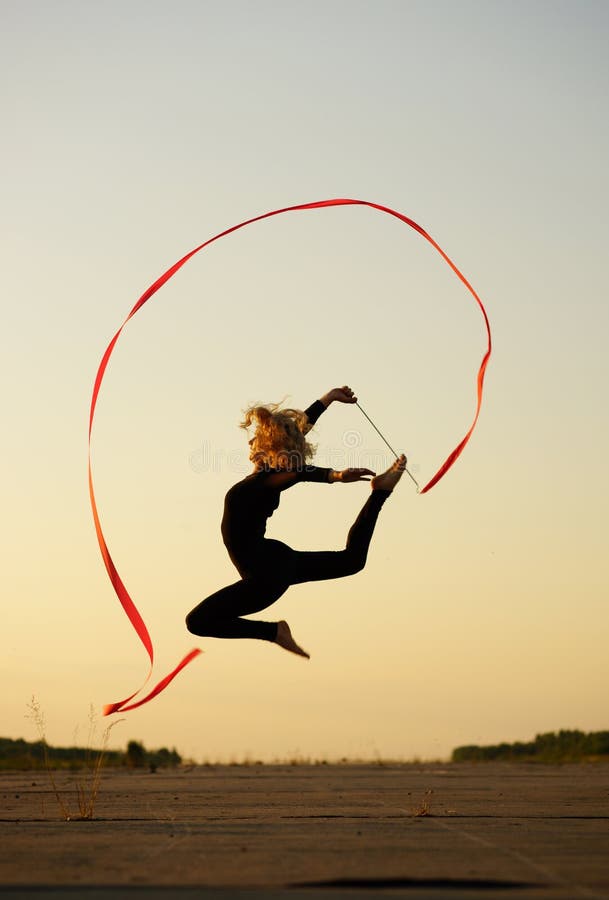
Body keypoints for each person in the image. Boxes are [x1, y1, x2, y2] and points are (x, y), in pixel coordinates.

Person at [186, 386, 406, 658]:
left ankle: (273, 632)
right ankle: (381, 492)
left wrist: (335, 475)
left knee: (197, 622)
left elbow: (299, 473)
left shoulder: (267, 481)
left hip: (265, 574)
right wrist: (328, 399)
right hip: (275, 563)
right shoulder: (265, 475)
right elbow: (296, 435)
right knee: (352, 561)